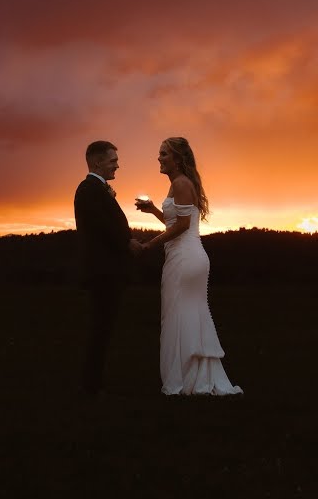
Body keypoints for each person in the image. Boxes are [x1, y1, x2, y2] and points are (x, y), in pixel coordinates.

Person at [134, 137, 242, 396]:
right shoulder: (178, 184)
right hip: (186, 255)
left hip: (186, 257)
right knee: (186, 312)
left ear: (178, 158)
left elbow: (182, 228)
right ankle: (192, 375)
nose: (159, 158)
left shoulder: (181, 184)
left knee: (181, 312)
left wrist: (149, 245)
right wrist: (153, 212)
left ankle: (188, 378)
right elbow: (177, 223)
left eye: (164, 154)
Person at [73, 140, 143, 396]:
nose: (117, 165)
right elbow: (102, 226)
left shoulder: (96, 189)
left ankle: (93, 381)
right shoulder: (88, 189)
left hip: (106, 270)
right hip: (103, 272)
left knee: (103, 327)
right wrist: (128, 242)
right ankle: (90, 385)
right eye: (113, 160)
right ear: (97, 162)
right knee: (100, 327)